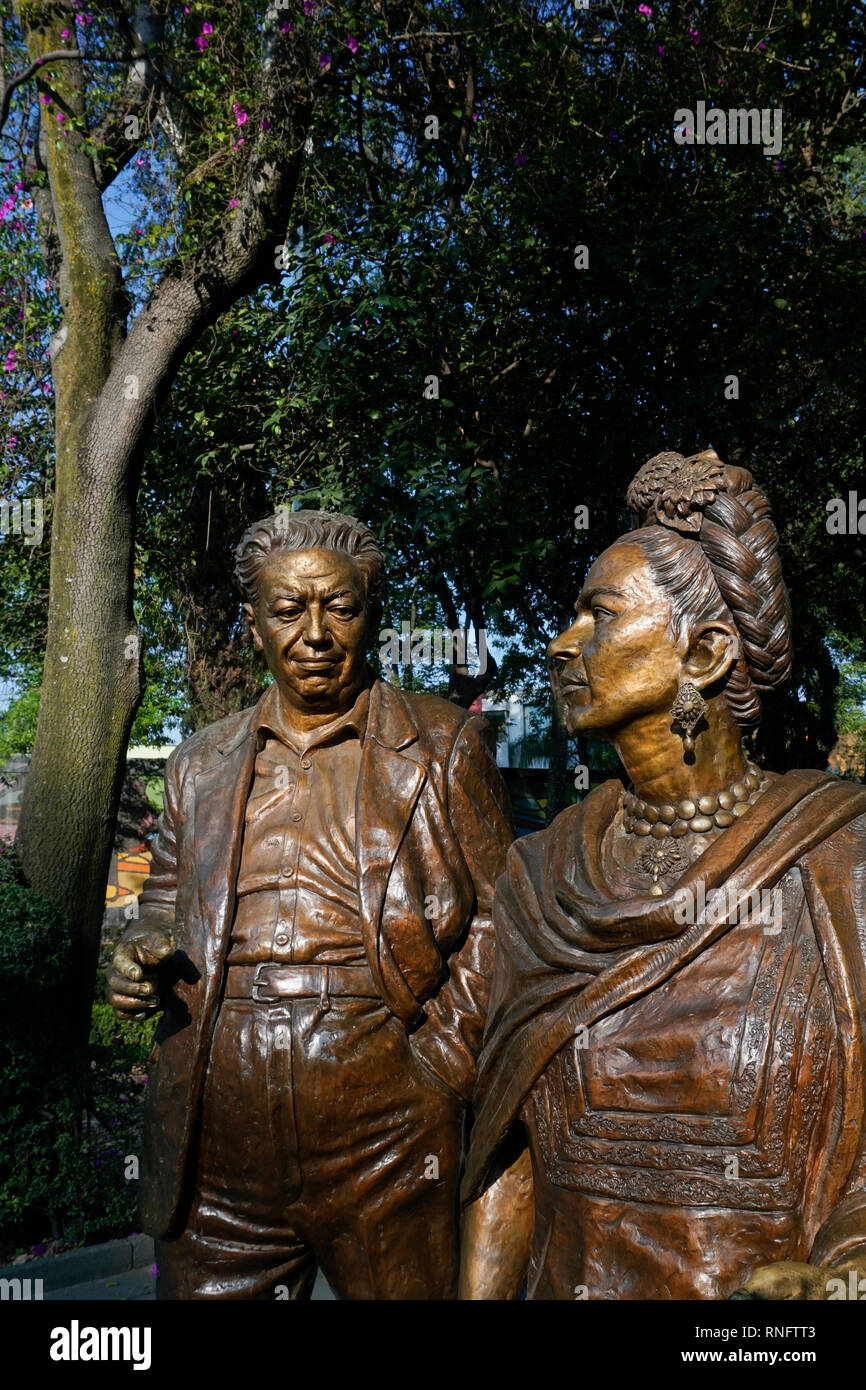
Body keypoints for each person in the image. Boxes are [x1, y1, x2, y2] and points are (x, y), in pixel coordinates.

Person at [462, 451, 866, 1300]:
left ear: (707, 653)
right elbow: (508, 1154)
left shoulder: (840, 855)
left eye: (598, 616)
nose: (561, 642)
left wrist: (844, 1273)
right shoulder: (541, 874)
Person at [107, 509, 515, 1299]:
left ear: (373, 614)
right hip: (220, 1130)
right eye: (289, 610)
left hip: (387, 1117)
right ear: (254, 623)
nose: (316, 633)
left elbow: (502, 916)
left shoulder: (441, 745)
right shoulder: (199, 763)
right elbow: (163, 898)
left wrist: (440, 1064)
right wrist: (140, 951)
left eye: (341, 607)